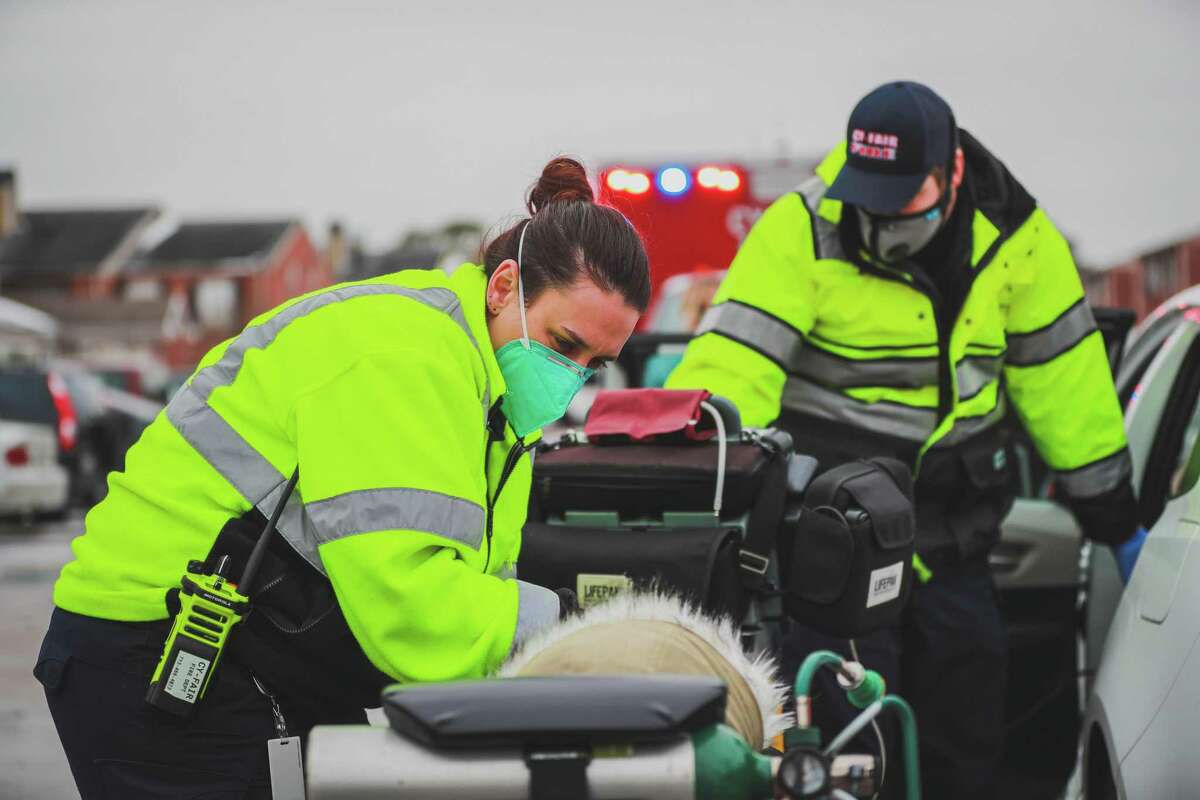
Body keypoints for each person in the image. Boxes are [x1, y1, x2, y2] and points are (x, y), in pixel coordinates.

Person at [35, 156, 651, 798]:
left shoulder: (492, 400)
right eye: (563, 342)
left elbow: (471, 590)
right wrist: (577, 633)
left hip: (256, 642)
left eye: (595, 363)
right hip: (158, 649)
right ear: (502, 288)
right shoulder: (405, 357)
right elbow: (410, 607)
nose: (572, 374)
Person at [666, 81, 1141, 797]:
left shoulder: (1019, 242)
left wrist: (1113, 515)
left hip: (955, 536)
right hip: (836, 541)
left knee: (964, 737)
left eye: (902, 193)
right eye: (869, 189)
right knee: (848, 751)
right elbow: (733, 365)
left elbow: (1063, 381)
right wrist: (690, 475)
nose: (881, 210)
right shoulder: (805, 225)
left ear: (951, 173)